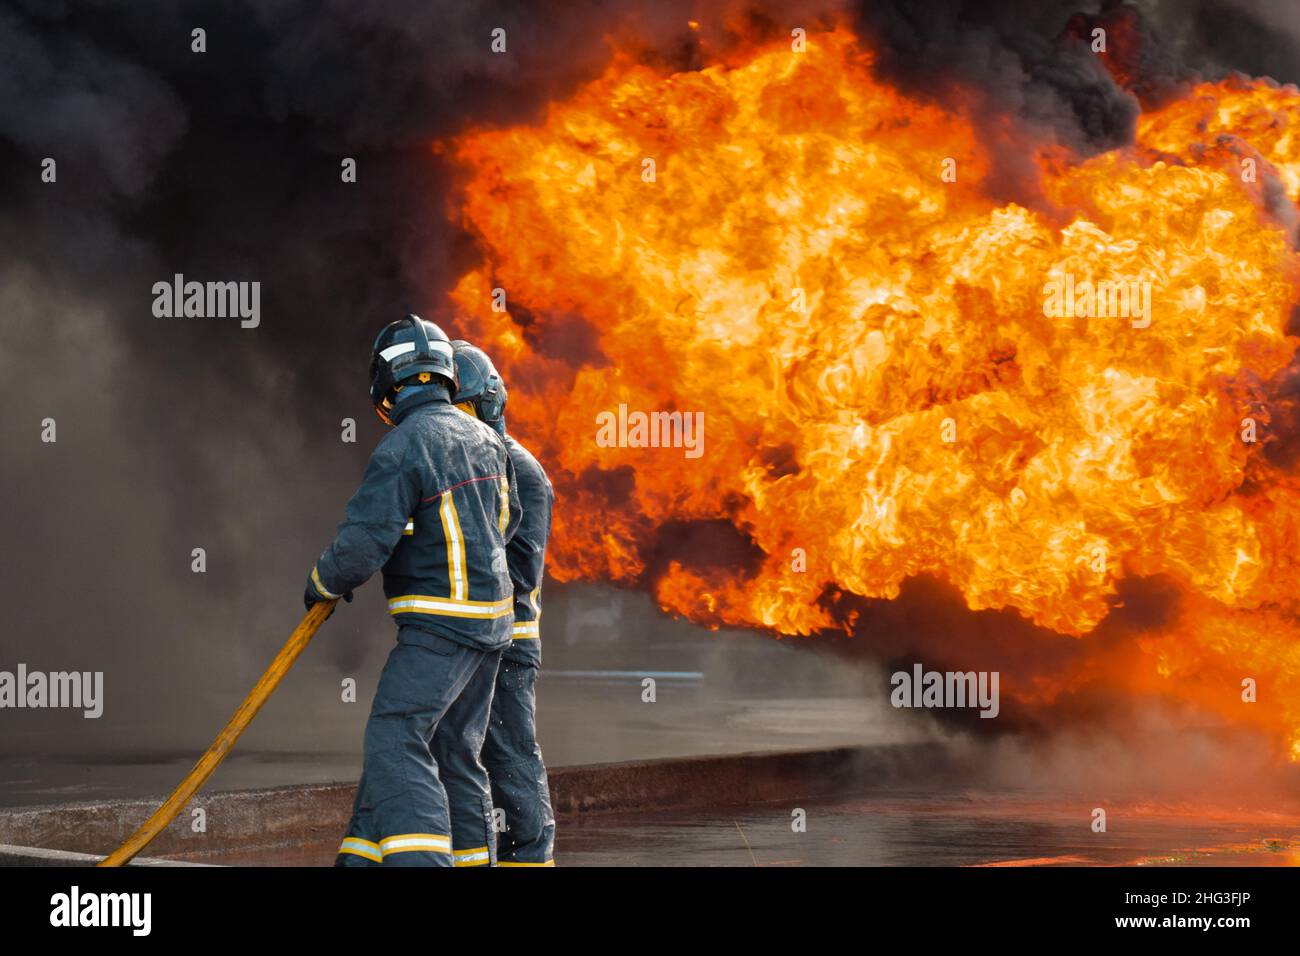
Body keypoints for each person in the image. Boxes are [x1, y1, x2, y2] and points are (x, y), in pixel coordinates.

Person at [305, 315, 520, 867]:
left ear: (389, 379)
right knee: (454, 750)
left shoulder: (404, 446)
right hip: (492, 629)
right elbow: (505, 519)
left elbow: (362, 540)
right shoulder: (485, 439)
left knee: (396, 737)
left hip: (441, 627)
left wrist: (324, 582)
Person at [451, 341, 556, 866]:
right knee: (469, 752)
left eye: (462, 410)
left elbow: (506, 568)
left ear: (489, 404)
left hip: (508, 639)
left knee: (510, 754)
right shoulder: (480, 463)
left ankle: (532, 857)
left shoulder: (519, 471)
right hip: (475, 635)